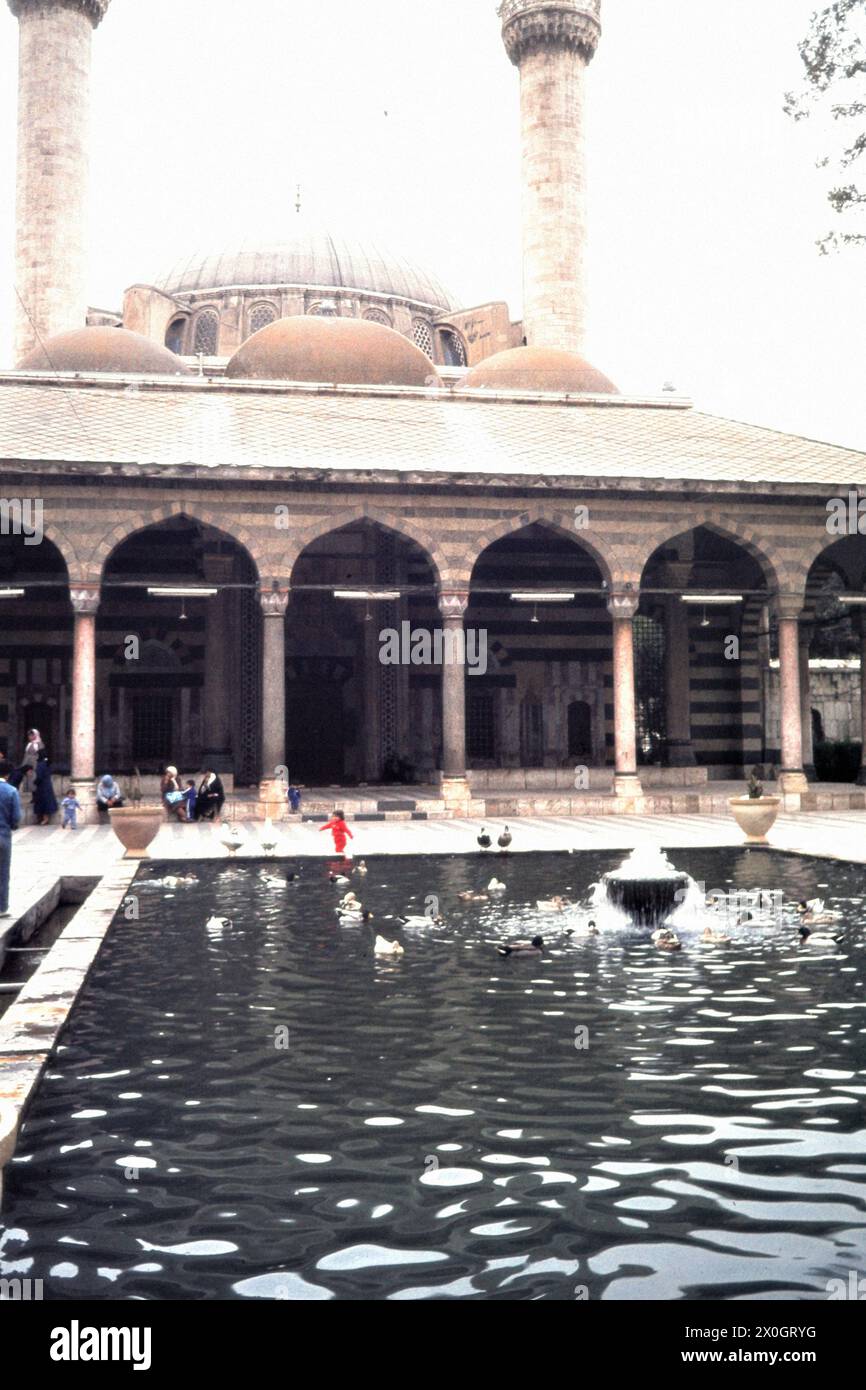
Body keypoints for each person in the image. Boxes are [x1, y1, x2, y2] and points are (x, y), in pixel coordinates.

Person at [0, 758, 23, 917]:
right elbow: (16, 818)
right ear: (7, 774)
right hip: (2, 837)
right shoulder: (11, 791)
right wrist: (12, 826)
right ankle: (1, 907)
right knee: (2, 872)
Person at [32, 750, 58, 825]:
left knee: (42, 802)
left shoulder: (40, 764)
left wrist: (35, 782)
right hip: (47, 784)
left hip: (42, 786)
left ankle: (44, 819)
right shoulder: (47, 763)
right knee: (46, 801)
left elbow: (39, 776)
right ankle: (44, 818)